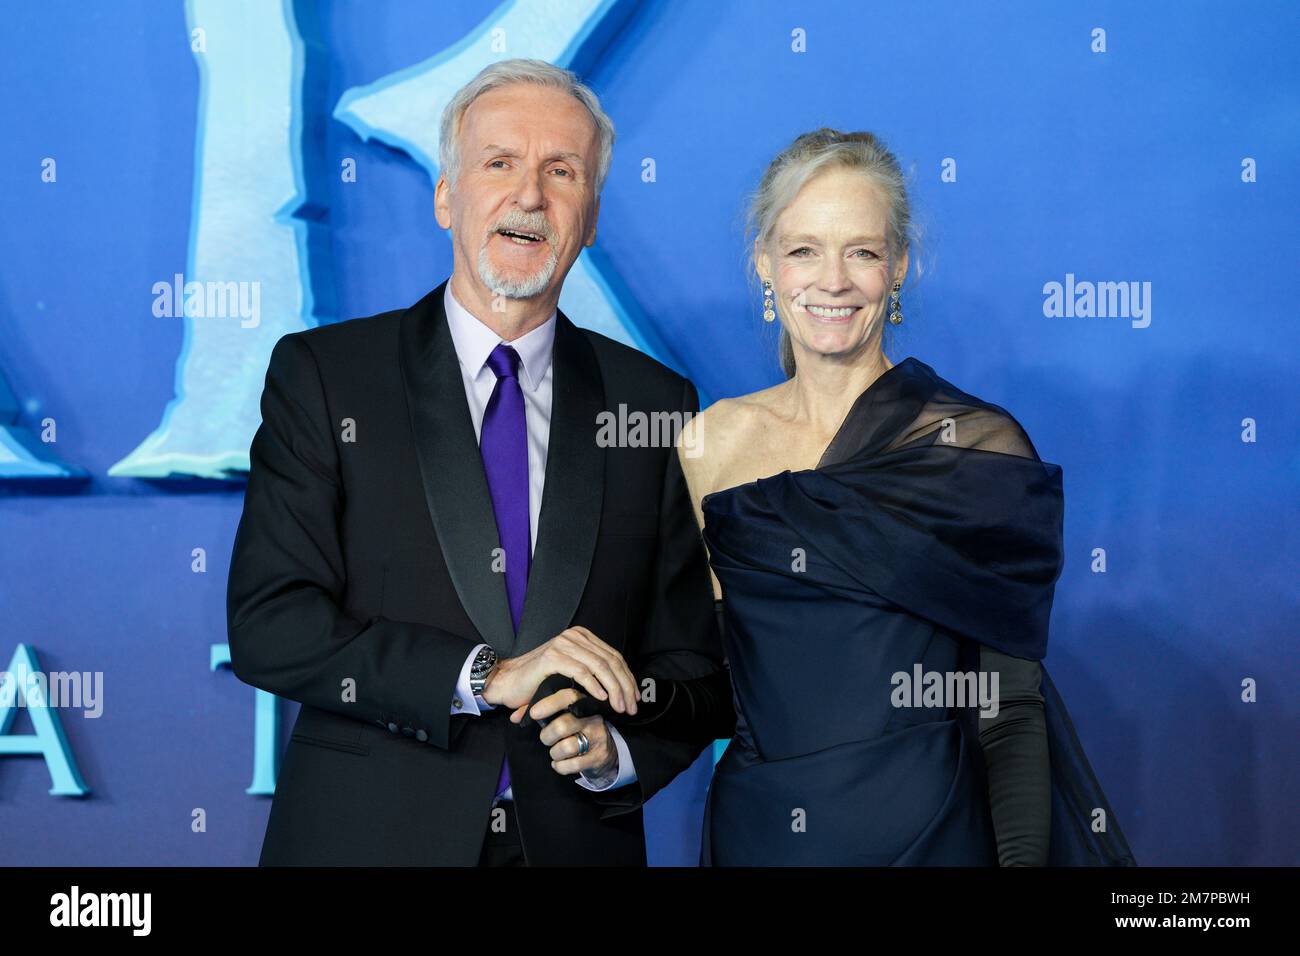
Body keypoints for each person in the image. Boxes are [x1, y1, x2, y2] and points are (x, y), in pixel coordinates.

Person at [551, 128, 1135, 866]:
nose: (832, 280)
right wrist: (624, 724)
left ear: (898, 268)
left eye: (861, 250)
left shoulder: (976, 448)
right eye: (803, 250)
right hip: (761, 837)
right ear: (764, 263)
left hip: (935, 837)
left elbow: (1009, 707)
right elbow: (716, 682)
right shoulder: (708, 445)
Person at [226, 59, 722, 866]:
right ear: (446, 197)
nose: (530, 195)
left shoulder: (654, 401)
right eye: (500, 163)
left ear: (590, 217)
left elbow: (694, 662)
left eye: (561, 171)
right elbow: (271, 625)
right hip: (364, 844)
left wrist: (621, 749)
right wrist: (485, 675)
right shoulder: (326, 375)